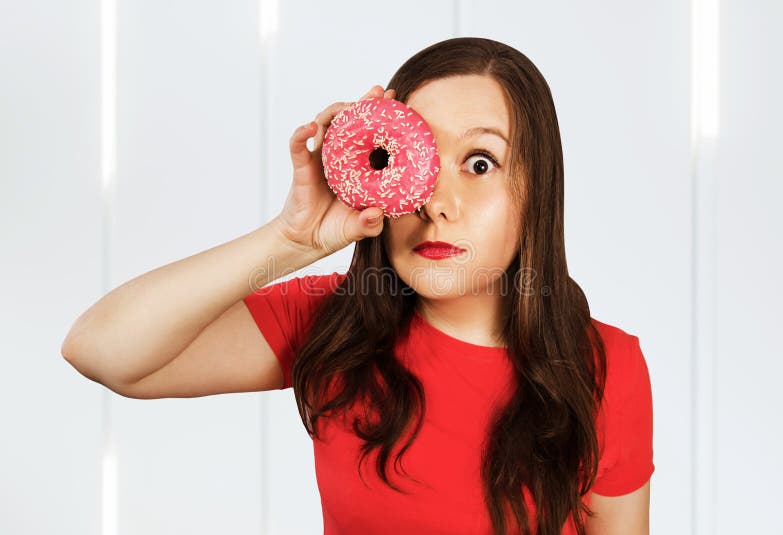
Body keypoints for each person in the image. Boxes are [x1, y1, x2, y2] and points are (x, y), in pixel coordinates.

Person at [62, 37, 654, 535]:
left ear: (537, 189)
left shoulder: (605, 366)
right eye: (408, 159)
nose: (434, 202)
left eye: (480, 163)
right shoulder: (332, 323)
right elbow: (101, 350)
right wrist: (290, 240)